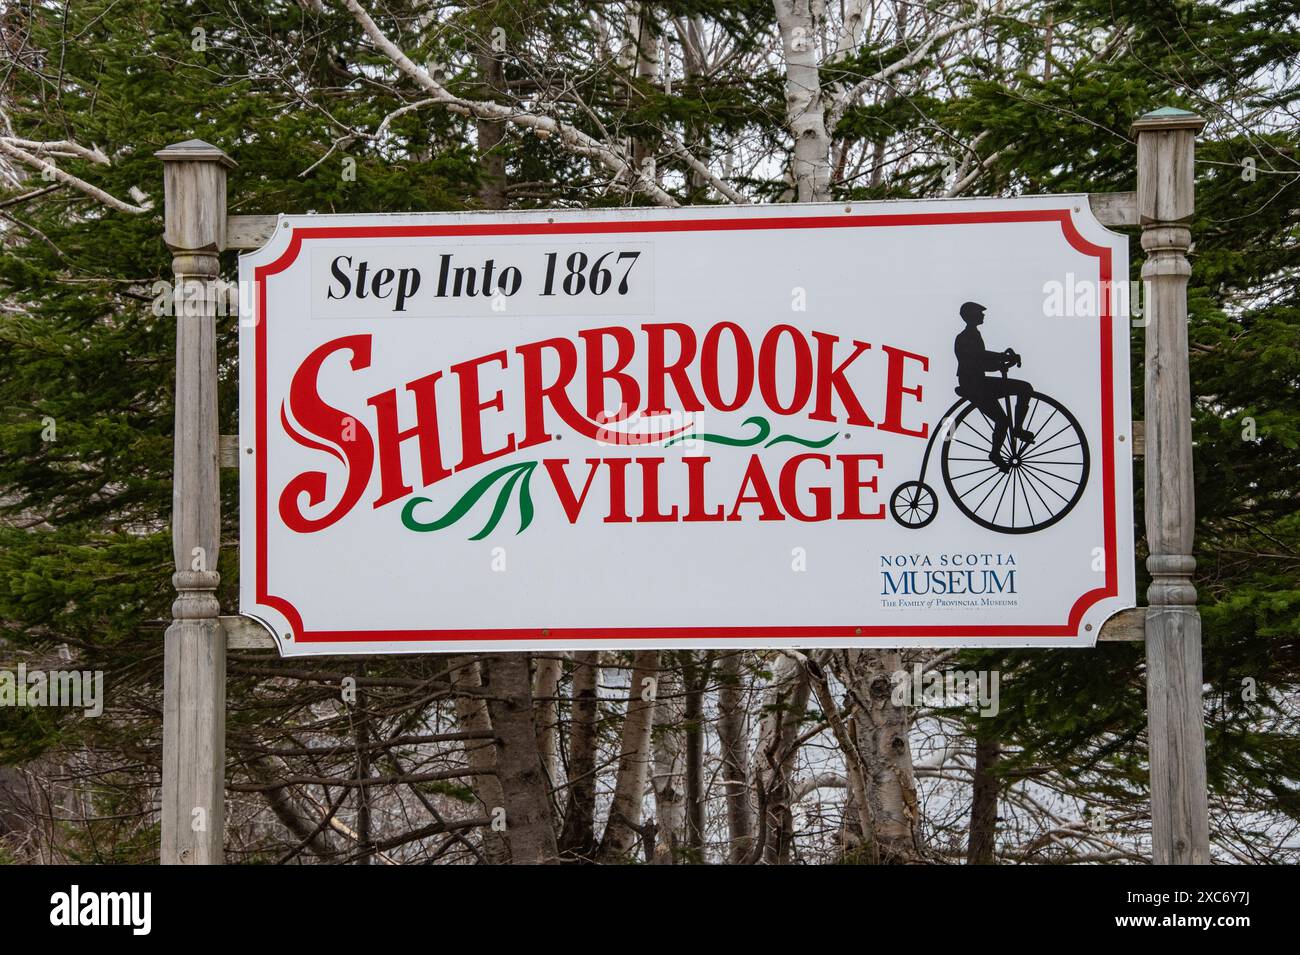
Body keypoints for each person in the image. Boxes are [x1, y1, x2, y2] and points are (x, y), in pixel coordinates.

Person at [953, 301, 1036, 471]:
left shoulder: (974, 335)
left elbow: (981, 360)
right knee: (1014, 403)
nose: (983, 315)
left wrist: (1001, 361)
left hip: (979, 383)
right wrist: (1001, 360)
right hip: (974, 385)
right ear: (971, 316)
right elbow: (977, 361)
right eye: (979, 312)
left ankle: (1016, 430)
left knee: (1022, 393)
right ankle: (1004, 444)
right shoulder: (965, 338)